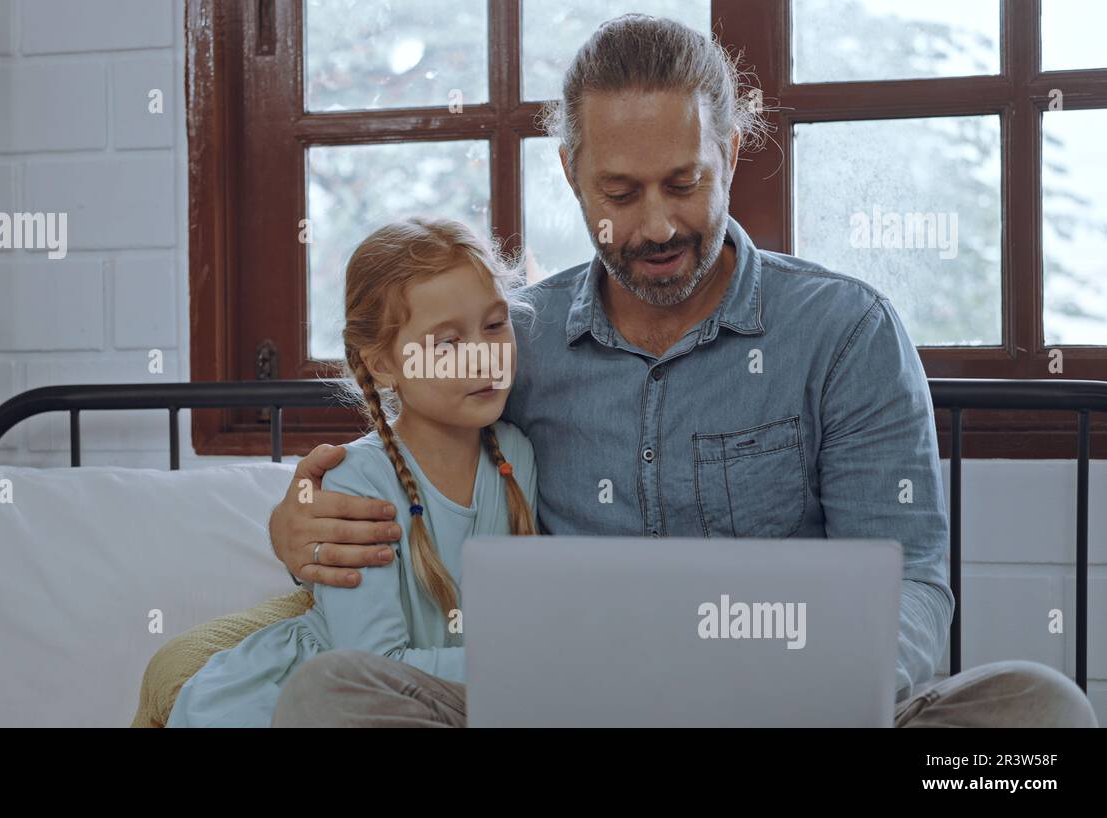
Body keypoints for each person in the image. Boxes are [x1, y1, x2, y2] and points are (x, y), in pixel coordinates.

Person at [265, 15, 1098, 728]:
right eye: (619, 193)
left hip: (793, 710)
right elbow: (410, 428)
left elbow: (913, 581)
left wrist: (831, 691)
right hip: (571, 709)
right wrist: (297, 520)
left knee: (1038, 714)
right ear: (571, 174)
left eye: (683, 182)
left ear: (731, 154)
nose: (655, 224)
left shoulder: (846, 333)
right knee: (329, 697)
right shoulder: (520, 336)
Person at [167, 217, 537, 727]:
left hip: (454, 695)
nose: (485, 356)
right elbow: (376, 669)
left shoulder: (517, 455)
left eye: (495, 325)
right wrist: (526, 672)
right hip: (342, 696)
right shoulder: (356, 481)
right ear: (383, 364)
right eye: (446, 343)